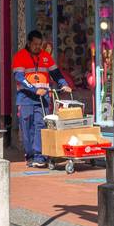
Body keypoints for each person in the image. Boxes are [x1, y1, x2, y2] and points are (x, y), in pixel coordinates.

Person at [13, 29, 69, 168]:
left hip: (42, 98)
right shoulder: (20, 56)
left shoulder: (46, 56)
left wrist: (64, 84)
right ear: (29, 43)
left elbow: (56, 73)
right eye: (35, 44)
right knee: (27, 128)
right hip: (25, 98)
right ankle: (30, 155)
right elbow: (19, 77)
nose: (38, 47)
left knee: (40, 126)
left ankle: (39, 155)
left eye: (40, 44)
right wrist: (34, 89)